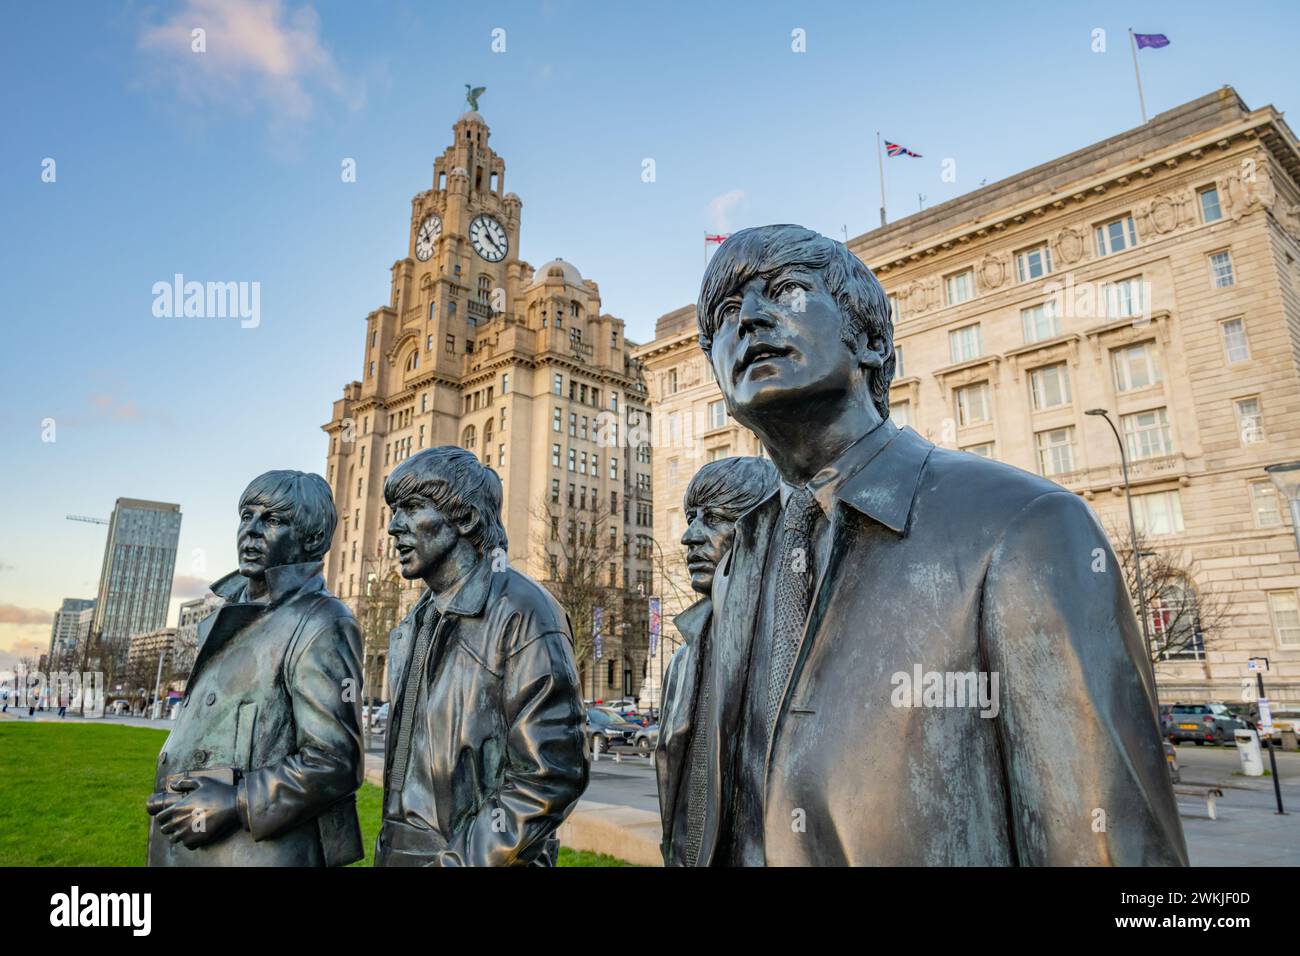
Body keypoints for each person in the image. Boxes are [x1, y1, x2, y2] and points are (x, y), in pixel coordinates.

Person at [687, 224, 1187, 865]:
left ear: (867, 340)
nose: (750, 318)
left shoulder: (1026, 526)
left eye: (784, 291)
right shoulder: (739, 559)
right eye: (726, 314)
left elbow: (1112, 850)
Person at [375, 447, 588, 866]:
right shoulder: (414, 623)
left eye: (412, 508)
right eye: (394, 511)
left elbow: (549, 777)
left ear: (466, 519)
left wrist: (460, 861)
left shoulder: (523, 611)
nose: (394, 527)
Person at [146, 470, 364, 866]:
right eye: (246, 516)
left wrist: (237, 802)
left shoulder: (323, 622)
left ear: (311, 539)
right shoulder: (231, 613)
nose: (252, 530)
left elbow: (336, 761)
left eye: (273, 520)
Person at [656, 455, 778, 866]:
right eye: (692, 518)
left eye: (713, 519)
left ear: (763, 529)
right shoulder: (681, 664)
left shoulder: (801, 651)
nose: (689, 537)